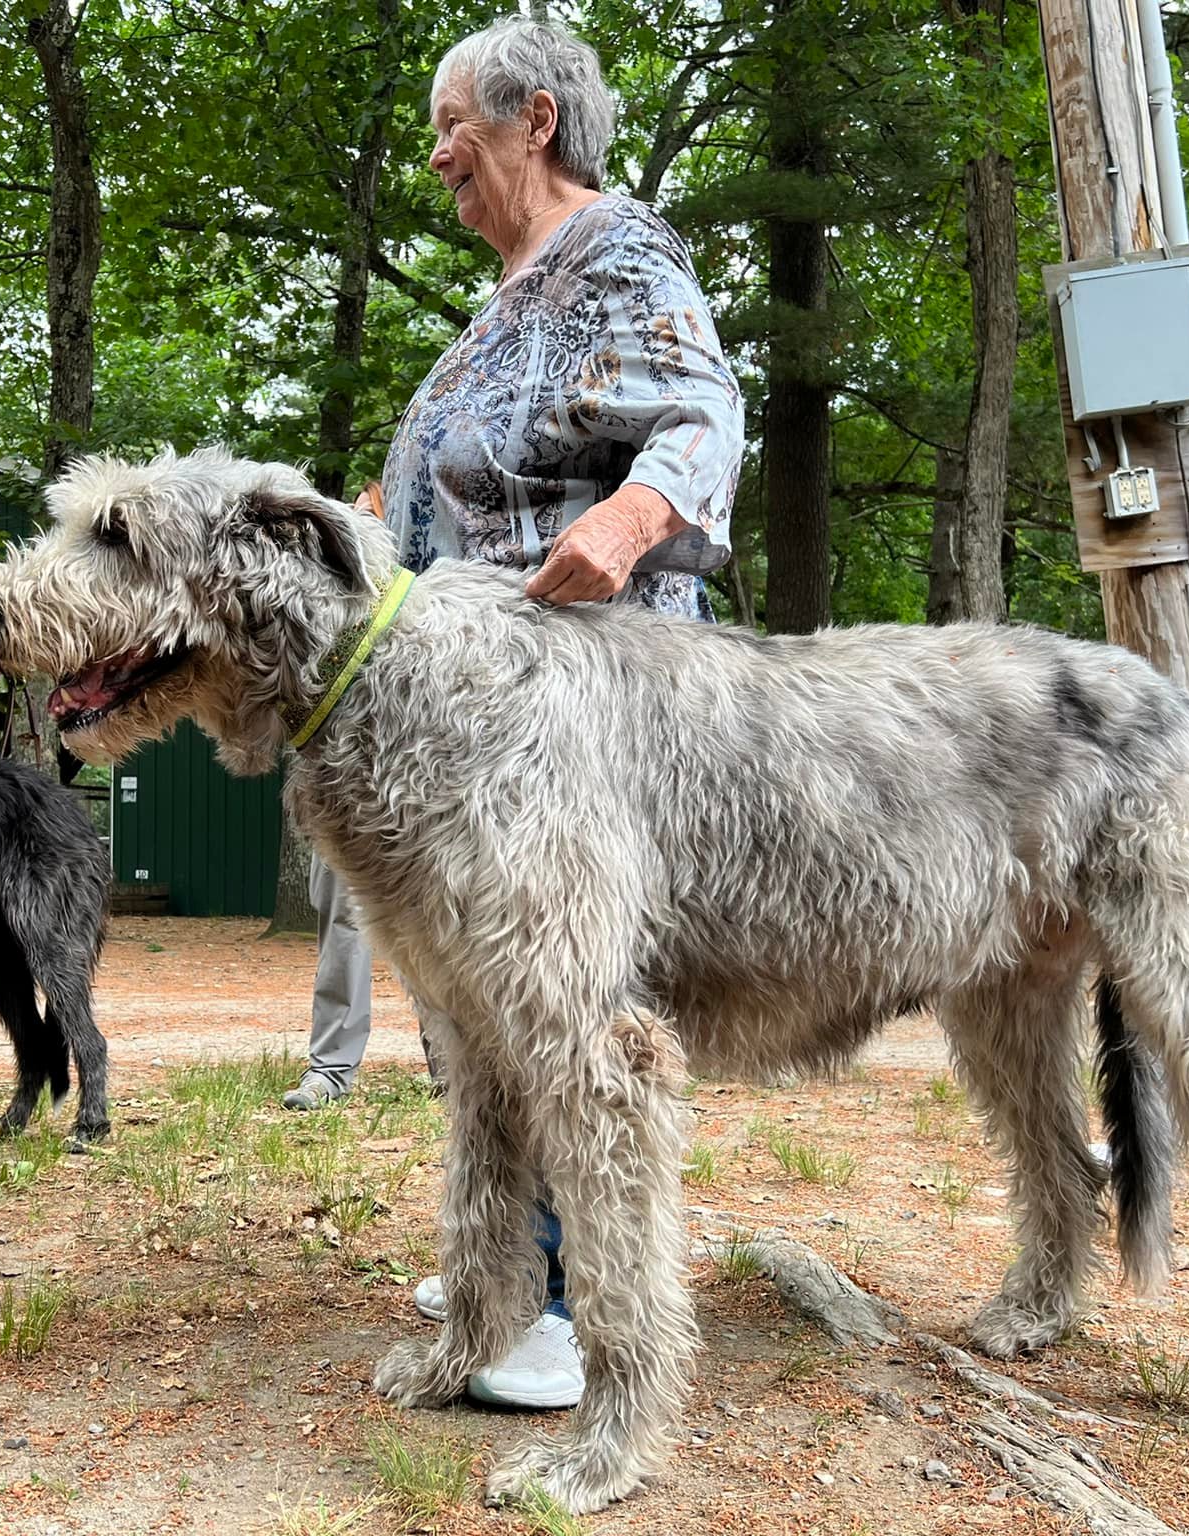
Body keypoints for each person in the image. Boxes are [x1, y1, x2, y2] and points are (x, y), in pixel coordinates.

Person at [338, 16, 744, 1410]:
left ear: (536, 122)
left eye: (454, 123)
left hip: (583, 702)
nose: (437, 153)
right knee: (480, 1003)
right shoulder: (501, 304)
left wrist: (630, 522)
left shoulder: (617, 253)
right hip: (471, 714)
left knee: (563, 998)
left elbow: (705, 411)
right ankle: (507, 1258)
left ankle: (574, 1302)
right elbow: (437, 502)